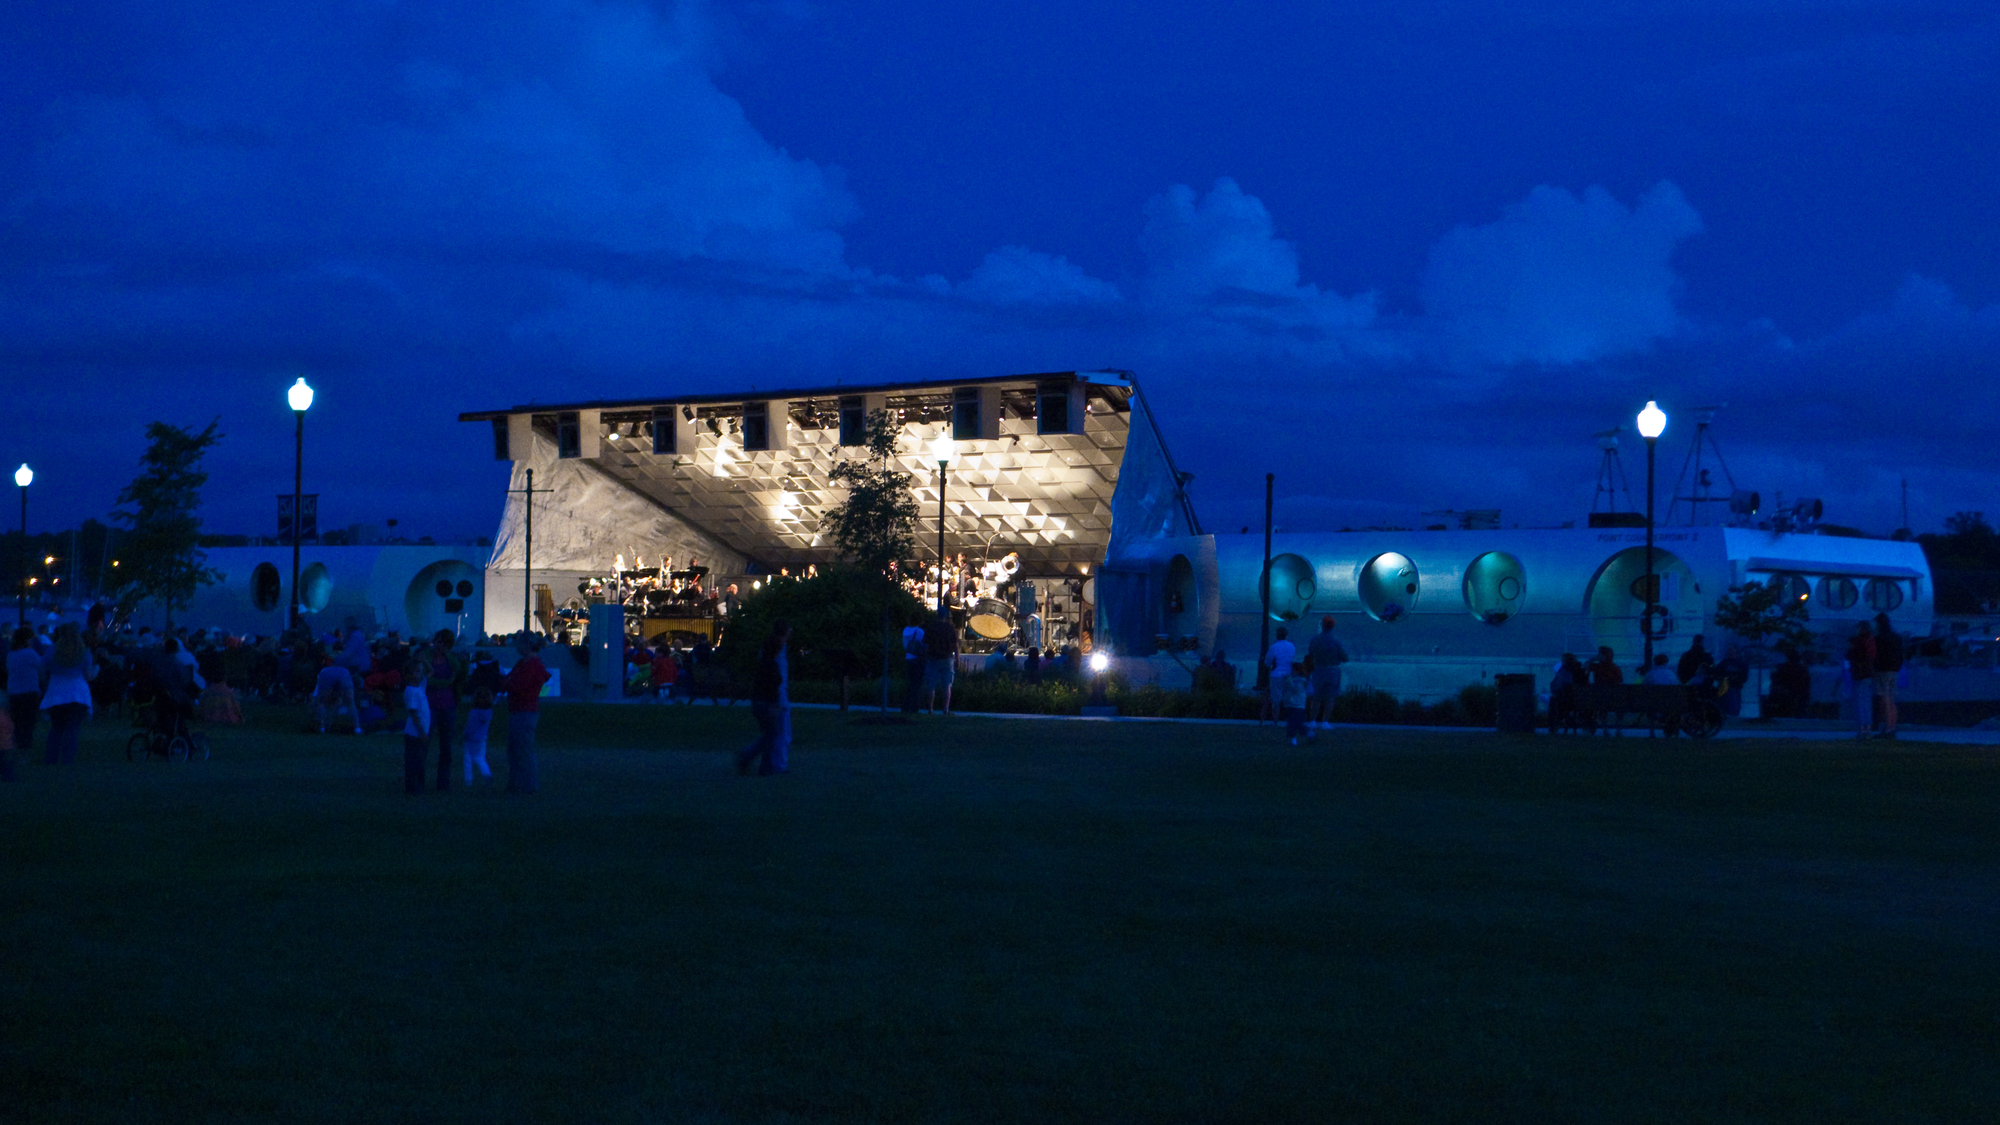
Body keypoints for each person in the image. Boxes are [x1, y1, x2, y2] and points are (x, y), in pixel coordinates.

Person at [736, 619, 792, 775]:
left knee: (770, 734)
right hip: (768, 702)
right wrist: (775, 703)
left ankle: (761, 763)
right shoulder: (773, 665)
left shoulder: (765, 661)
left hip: (761, 701)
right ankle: (760, 762)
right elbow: (773, 685)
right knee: (772, 734)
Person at [501, 633, 551, 793]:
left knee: (523, 750)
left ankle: (527, 786)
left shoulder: (531, 665)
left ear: (527, 645)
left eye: (519, 644)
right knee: (516, 749)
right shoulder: (527, 663)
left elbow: (517, 685)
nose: (516, 646)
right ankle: (518, 784)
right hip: (520, 710)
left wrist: (505, 682)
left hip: (524, 711)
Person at [40, 625, 96, 765]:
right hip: (77, 693)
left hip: (55, 692)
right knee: (72, 729)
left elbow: (42, 670)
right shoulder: (83, 652)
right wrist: (97, 670)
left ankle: (50, 760)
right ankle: (67, 761)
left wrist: (47, 684)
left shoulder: (51, 650)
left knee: (56, 728)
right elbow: (89, 676)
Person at [424, 631, 467, 789]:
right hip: (429, 705)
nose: (440, 646)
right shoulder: (426, 657)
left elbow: (461, 676)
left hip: (448, 705)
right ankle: (418, 780)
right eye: (439, 642)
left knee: (446, 746)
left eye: (444, 643)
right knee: (424, 743)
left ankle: (443, 783)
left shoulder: (452, 660)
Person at [8, 626, 46, 759]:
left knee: (16, 723)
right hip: (29, 692)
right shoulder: (30, 653)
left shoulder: (11, 654)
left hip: (13, 693)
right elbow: (42, 668)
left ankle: (13, 750)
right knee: (28, 724)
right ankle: (24, 754)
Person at [1305, 616, 1348, 733]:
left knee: (1316, 697)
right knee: (1330, 698)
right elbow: (1345, 657)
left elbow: (1310, 654)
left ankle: (1313, 721)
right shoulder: (1336, 641)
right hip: (1333, 671)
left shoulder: (1315, 640)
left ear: (1323, 625)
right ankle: (1325, 722)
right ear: (1332, 626)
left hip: (1318, 670)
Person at [401, 659, 434, 794]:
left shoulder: (420, 687)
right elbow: (414, 714)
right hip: (414, 734)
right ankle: (413, 788)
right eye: (416, 670)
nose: (420, 672)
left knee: (419, 760)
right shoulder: (411, 691)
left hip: (419, 732)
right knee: (414, 761)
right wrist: (422, 732)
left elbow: (431, 671)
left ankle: (418, 786)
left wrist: (423, 661)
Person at [1872, 612, 1903, 739]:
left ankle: (1888, 728)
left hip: (1882, 670)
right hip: (1894, 670)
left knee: (1884, 700)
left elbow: (1875, 655)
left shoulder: (1878, 638)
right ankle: (1892, 727)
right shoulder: (1896, 637)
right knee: (1891, 699)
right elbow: (1901, 653)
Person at [1845, 621, 1875, 740]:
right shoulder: (1871, 641)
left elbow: (1849, 655)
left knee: (1860, 703)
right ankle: (1868, 730)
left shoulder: (1857, 643)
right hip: (1868, 674)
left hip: (1859, 674)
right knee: (1867, 703)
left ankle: (1862, 730)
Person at [924, 613, 959, 715]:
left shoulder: (931, 628)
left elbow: (926, 645)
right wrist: (957, 658)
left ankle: (930, 709)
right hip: (947, 658)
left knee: (931, 685)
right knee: (947, 684)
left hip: (933, 658)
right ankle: (946, 709)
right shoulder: (950, 628)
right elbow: (956, 646)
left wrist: (926, 657)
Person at [461, 686, 495, 785]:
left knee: (467, 760)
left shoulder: (473, 713)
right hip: (482, 740)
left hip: (470, 740)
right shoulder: (489, 712)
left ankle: (468, 781)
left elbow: (470, 727)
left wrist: (464, 736)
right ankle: (487, 774)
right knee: (480, 758)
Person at [1262, 627, 1296, 723]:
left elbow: (1267, 662)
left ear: (1277, 635)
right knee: (1288, 698)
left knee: (1276, 700)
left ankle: (1275, 721)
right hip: (1288, 675)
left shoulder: (1274, 647)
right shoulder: (1292, 646)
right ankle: (1289, 719)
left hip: (1276, 675)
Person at [1768, 645, 1811, 718]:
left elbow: (1774, 680)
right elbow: (1806, 684)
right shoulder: (1803, 669)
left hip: (1784, 697)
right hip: (1796, 697)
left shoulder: (1781, 668)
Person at [1548, 652, 1584, 734]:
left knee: (1554, 703)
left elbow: (1557, 684)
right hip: (1578, 699)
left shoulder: (1564, 672)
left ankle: (1554, 726)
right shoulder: (1580, 671)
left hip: (1565, 699)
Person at [900, 619, 927, 713]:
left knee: (911, 683)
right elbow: (924, 644)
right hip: (917, 659)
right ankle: (914, 706)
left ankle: (906, 705)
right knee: (917, 684)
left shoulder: (905, 630)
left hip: (908, 657)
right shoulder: (919, 631)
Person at [1279, 666, 1310, 746]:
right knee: (1291, 724)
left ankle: (1308, 734)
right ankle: (1293, 740)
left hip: (1298, 706)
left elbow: (1295, 689)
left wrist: (1288, 680)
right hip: (1289, 705)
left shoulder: (1301, 681)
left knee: (1299, 724)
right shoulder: (1291, 679)